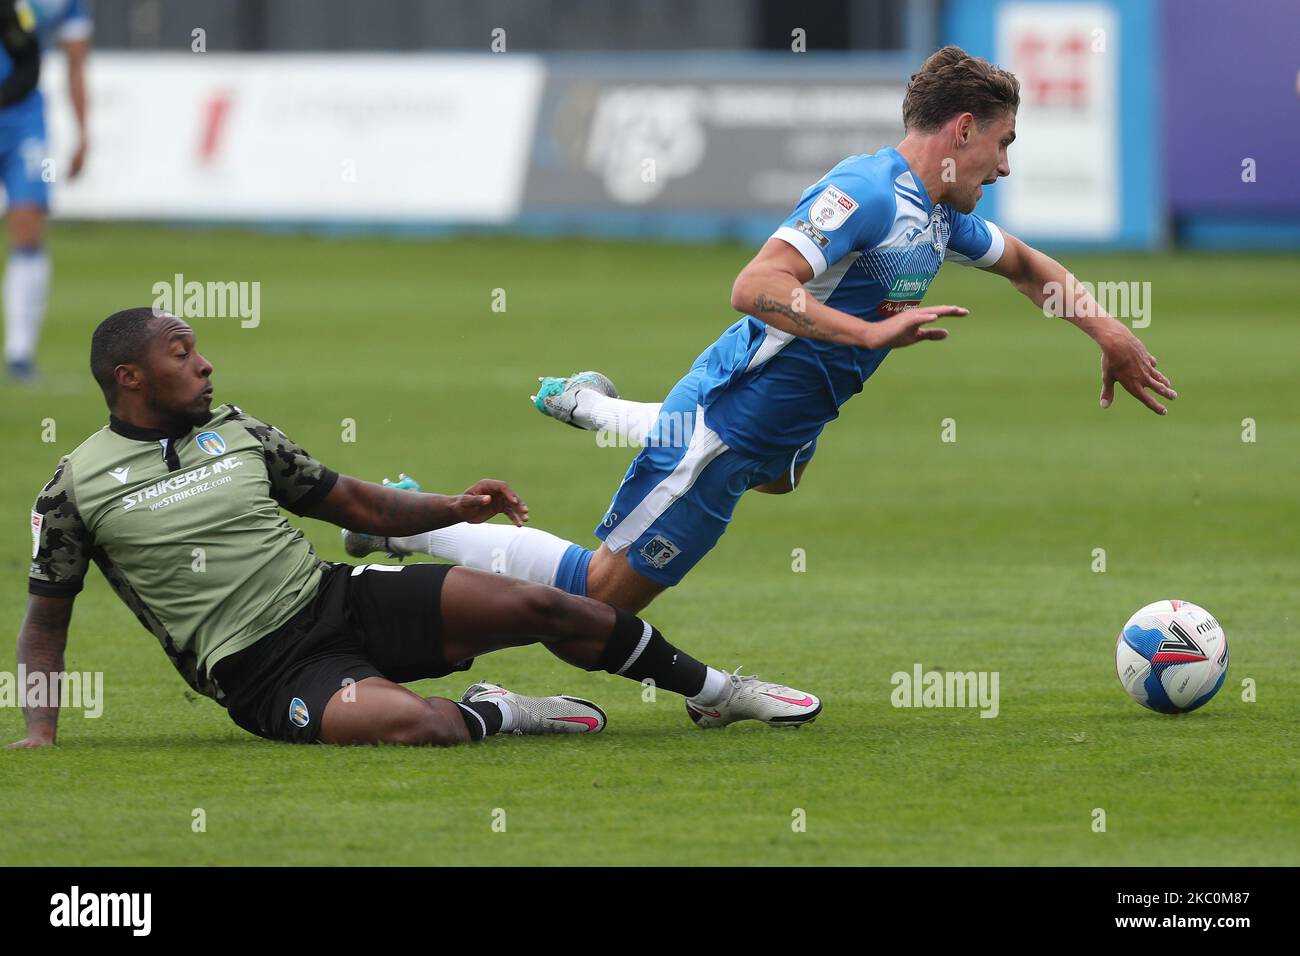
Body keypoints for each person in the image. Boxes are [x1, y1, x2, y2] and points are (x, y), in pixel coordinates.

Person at [347, 45, 1176, 625]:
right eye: (1003, 143)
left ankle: (594, 409)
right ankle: (402, 525)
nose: (1005, 165)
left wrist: (1107, 332)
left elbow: (1029, 267)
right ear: (962, 129)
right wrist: (862, 334)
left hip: (780, 426)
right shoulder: (867, 195)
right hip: (731, 416)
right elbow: (755, 286)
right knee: (597, 602)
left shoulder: (938, 215)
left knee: (781, 479)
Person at [10, 308, 821, 750]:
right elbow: (45, 625)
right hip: (265, 674)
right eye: (182, 354)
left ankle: (719, 696)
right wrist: (39, 737)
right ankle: (503, 711)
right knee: (422, 725)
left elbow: (354, 505)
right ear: (129, 377)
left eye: (198, 350)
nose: (204, 364)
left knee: (541, 606)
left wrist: (452, 509)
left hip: (338, 598)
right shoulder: (74, 487)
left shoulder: (239, 432)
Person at [1, 0, 92, 380]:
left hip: (24, 117)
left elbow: (75, 62)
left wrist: (83, 133)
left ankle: (20, 352)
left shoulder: (69, 4)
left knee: (28, 224)